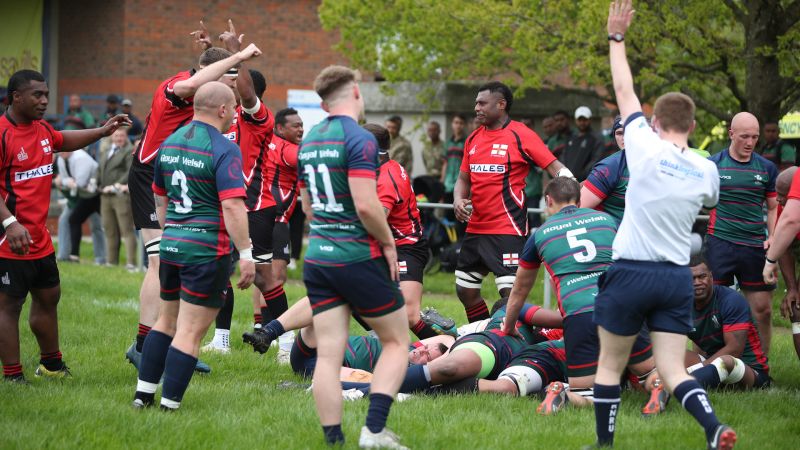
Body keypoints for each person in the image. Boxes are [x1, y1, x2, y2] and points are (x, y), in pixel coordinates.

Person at [592, 3, 732, 449]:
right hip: (675, 276)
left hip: (631, 271)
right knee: (672, 371)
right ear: (692, 126)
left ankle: (604, 445)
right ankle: (713, 430)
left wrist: (617, 37)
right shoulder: (706, 167)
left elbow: (623, 87)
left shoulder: (643, 146)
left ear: (655, 124)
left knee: (610, 367)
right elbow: (708, 204)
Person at [124, 37, 262, 371]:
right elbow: (191, 85)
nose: (230, 89)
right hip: (151, 177)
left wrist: (226, 51)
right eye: (228, 77)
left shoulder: (203, 94)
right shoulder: (177, 85)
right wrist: (240, 54)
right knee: (159, 262)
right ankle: (144, 345)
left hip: (175, 175)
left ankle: (173, 344)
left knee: (182, 261)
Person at [297, 65, 410, 448]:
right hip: (357, 256)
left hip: (319, 257)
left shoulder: (310, 138)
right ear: (356, 93)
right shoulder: (360, 139)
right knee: (396, 342)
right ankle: (374, 432)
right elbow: (366, 205)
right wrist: (390, 244)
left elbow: (308, 207)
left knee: (328, 355)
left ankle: (333, 440)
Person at [0, 69, 130, 382]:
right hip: (9, 237)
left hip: (39, 237)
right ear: (16, 97)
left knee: (49, 297)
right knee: (9, 305)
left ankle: (51, 366)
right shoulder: (2, 133)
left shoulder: (41, 128)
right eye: (37, 95)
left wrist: (100, 131)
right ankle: (13, 375)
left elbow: (62, 140)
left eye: (46, 94)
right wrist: (9, 222)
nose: (45, 100)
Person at [502, 177, 656, 415]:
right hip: (619, 306)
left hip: (578, 314)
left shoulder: (540, 235)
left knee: (584, 393)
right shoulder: (607, 220)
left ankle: (563, 393)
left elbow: (520, 289)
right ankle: (656, 387)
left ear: (548, 200)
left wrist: (509, 325)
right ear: (579, 198)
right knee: (652, 373)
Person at [452, 81, 570, 323]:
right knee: (465, 290)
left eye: (482, 103)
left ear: (501, 104)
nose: (476, 108)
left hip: (507, 229)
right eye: (476, 102)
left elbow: (558, 169)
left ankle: (518, 343)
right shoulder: (473, 139)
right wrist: (457, 199)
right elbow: (462, 179)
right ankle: (482, 335)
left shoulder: (521, 134)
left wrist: (569, 199)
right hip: (476, 229)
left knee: (510, 298)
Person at [370, 123, 454, 338]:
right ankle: (380, 341)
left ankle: (445, 348)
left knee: (409, 315)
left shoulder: (387, 178)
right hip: (387, 245)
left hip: (406, 247)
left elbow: (377, 221)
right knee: (351, 297)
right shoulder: (382, 166)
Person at [707, 112, 778, 355]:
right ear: (731, 134)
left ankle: (762, 366)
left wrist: (773, 237)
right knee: (708, 306)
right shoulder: (713, 165)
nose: (750, 142)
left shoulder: (766, 167)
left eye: (755, 137)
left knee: (763, 309)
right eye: (745, 136)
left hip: (754, 246)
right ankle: (702, 362)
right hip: (719, 243)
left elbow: (772, 207)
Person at [686, 256, 769, 389]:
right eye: (691, 278)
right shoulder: (681, 306)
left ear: (711, 277)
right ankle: (652, 384)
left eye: (702, 276)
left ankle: (679, 385)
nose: (697, 282)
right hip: (710, 365)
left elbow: (734, 350)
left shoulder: (731, 300)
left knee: (725, 361)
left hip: (748, 370)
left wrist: (694, 369)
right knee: (671, 353)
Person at [764, 167, 800, 361]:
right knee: (797, 309)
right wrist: (792, 288)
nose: (777, 200)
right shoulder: (784, 205)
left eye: (782, 194)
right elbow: (784, 245)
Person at [97, 128, 136, 269]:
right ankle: (111, 262)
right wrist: (96, 183)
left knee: (126, 230)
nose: (119, 138)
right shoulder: (107, 150)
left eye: (122, 135)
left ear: (126, 137)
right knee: (109, 230)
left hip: (120, 195)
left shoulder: (129, 151)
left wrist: (115, 185)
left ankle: (131, 263)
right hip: (105, 195)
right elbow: (100, 169)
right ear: (112, 137)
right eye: (116, 135)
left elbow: (129, 172)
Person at [581, 115, 627, 223]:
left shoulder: (659, 160)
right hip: (616, 235)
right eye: (619, 133)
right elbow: (579, 210)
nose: (624, 137)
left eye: (628, 131)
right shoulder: (609, 167)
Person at [558, 106, 605, 182]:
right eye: (580, 120)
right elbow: (563, 157)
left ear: (590, 120)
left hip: (586, 182)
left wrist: (582, 175)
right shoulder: (570, 137)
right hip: (567, 182)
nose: (582, 123)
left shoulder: (596, 138)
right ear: (575, 120)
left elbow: (596, 160)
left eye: (585, 120)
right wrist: (565, 174)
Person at [441, 114, 467, 225]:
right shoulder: (448, 143)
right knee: (448, 215)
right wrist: (442, 181)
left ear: (464, 125)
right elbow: (445, 163)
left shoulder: (467, 142)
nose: (458, 125)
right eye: (456, 123)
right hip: (448, 184)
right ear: (452, 124)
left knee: (460, 216)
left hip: (460, 183)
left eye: (460, 123)